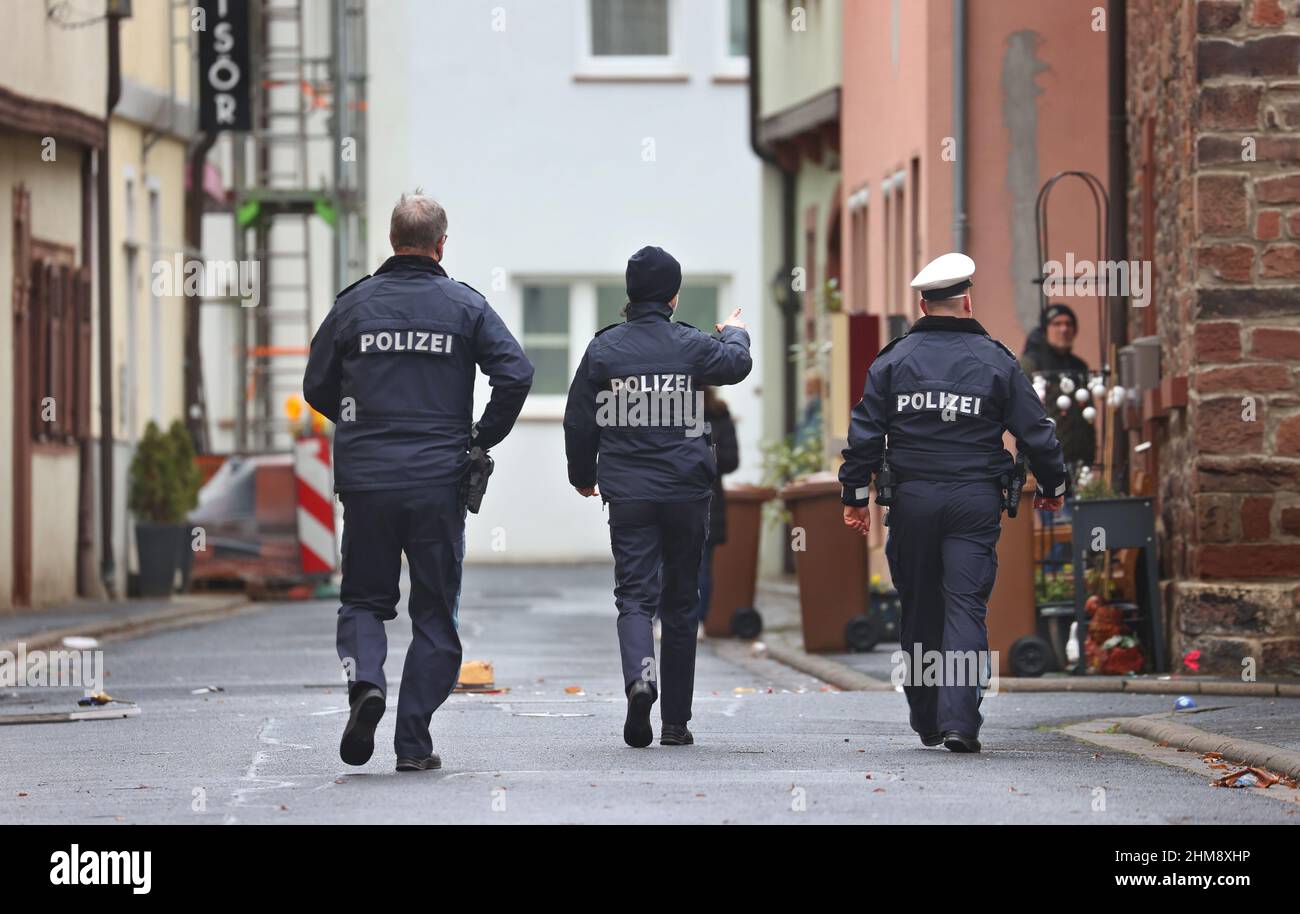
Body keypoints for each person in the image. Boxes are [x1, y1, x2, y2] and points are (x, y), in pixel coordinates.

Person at [304, 191, 533, 772]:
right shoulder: (465, 307)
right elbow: (516, 373)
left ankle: (367, 688)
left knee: (362, 600)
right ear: (441, 244)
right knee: (434, 613)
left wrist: (360, 422)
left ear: (391, 240)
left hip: (369, 483)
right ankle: (413, 742)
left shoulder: (354, 307)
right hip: (438, 483)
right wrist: (480, 439)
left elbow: (316, 384)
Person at [839, 252, 1066, 753]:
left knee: (919, 608)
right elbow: (1038, 432)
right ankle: (960, 719)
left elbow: (864, 435)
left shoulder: (892, 360)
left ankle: (926, 718)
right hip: (973, 502)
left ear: (923, 303)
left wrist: (856, 495)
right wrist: (1052, 487)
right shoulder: (998, 360)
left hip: (913, 502)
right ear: (967, 301)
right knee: (965, 607)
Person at [564, 246, 751, 748]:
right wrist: (732, 329)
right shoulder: (689, 344)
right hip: (686, 491)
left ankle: (640, 680)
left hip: (628, 493)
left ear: (629, 295)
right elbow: (737, 364)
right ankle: (675, 723)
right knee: (681, 602)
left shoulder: (604, 350)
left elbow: (579, 418)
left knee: (634, 598)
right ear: (673, 295)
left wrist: (582, 474)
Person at [1020, 302, 1095, 467]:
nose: (1064, 329)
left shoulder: (1079, 367)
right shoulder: (1032, 365)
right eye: (1057, 324)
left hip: (1080, 462)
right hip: (1043, 461)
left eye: (1068, 324)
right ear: (1046, 329)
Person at [693, 387, 739, 631]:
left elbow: (732, 459)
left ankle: (697, 620)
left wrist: (698, 460)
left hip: (707, 499)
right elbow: (731, 458)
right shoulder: (668, 410)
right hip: (691, 497)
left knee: (700, 563)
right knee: (692, 562)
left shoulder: (717, 413)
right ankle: (678, 619)